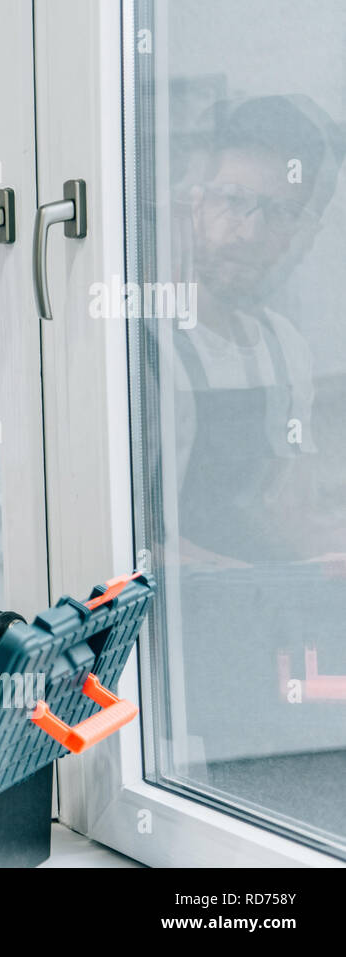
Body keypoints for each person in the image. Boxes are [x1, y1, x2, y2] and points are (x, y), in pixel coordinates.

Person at [162, 94, 345, 764]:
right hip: (179, 659)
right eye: (232, 200)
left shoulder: (282, 345)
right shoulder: (146, 352)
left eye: (277, 212)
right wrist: (264, 579)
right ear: (195, 201)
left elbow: (289, 505)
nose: (248, 230)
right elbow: (137, 550)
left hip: (270, 639)